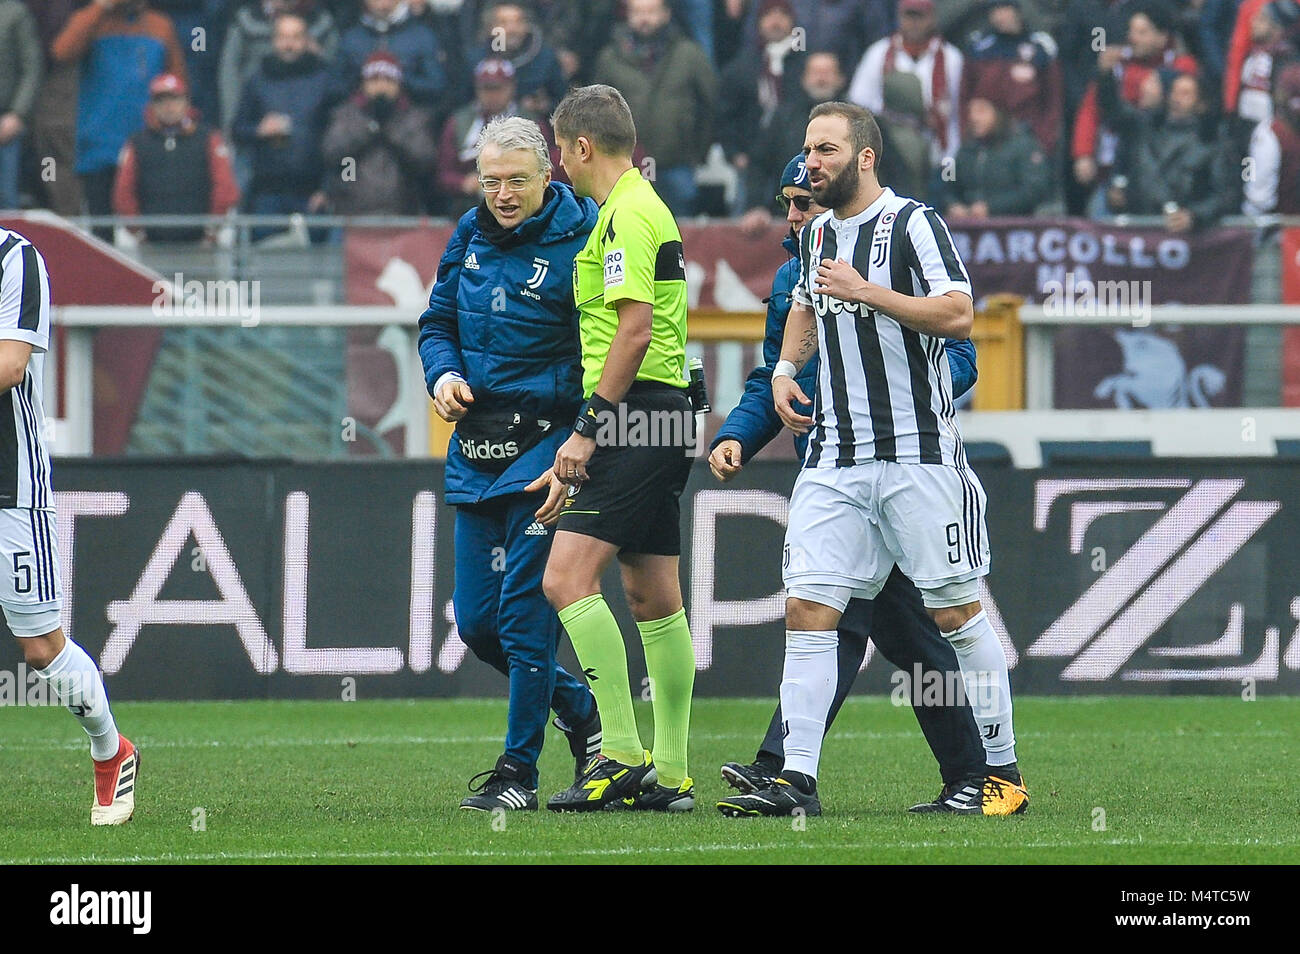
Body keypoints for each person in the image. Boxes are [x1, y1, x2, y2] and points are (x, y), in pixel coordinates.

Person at [716, 101, 1027, 817]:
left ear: (863, 157)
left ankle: (999, 775)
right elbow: (802, 306)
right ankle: (796, 779)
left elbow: (958, 316)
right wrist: (789, 372)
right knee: (808, 608)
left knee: (955, 614)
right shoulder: (816, 232)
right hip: (834, 458)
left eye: (824, 149)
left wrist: (869, 293)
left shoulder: (913, 223)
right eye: (806, 148)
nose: (810, 162)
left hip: (918, 456)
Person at [418, 115, 601, 812]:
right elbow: (437, 325)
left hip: (543, 454)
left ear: (547, 174)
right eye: (490, 180)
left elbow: (601, 347)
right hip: (474, 452)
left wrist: (579, 438)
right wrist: (442, 376)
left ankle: (516, 773)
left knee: (525, 624)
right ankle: (583, 713)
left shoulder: (582, 239)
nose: (501, 193)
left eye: (515, 180)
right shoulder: (466, 235)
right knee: (476, 625)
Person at [525, 84, 698, 812]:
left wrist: (588, 430)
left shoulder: (626, 213)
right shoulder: (637, 207)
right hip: (665, 412)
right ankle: (673, 770)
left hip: (636, 413)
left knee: (564, 580)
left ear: (582, 146)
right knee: (651, 594)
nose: (560, 164)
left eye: (561, 150)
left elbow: (631, 331)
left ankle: (621, 756)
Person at [0, 227, 138, 825]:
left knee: (39, 649)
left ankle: (111, 750)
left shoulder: (15, 258)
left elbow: (9, 364)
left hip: (9, 480)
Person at [52, 0, 188, 222]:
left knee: (149, 223)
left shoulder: (161, 25)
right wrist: (101, 6)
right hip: (98, 144)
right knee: (101, 227)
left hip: (148, 143)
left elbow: (178, 82)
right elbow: (62, 51)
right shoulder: (92, 20)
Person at [1071, 5, 1199, 218]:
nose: (1133, 38)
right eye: (1132, 31)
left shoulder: (1181, 68)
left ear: (1162, 37)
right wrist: (1083, 153)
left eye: (1143, 32)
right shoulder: (1117, 68)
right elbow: (1093, 109)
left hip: (1169, 173)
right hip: (1116, 167)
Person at [591, 0, 717, 216]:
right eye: (638, 12)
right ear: (627, 15)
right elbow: (596, 110)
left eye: (651, 11)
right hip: (625, 165)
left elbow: (711, 104)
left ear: (666, 14)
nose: (644, 19)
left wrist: (698, 150)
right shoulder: (610, 58)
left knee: (681, 233)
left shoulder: (689, 53)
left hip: (677, 162)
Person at [231, 11, 332, 235]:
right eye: (284, 37)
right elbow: (237, 130)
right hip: (267, 192)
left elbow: (338, 139)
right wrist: (258, 130)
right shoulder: (257, 80)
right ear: (274, 40)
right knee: (266, 261)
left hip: (311, 192)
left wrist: (328, 188)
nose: (289, 44)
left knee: (316, 265)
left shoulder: (325, 80)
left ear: (307, 40)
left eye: (296, 37)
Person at [112, 72, 241, 242]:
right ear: (152, 105)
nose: (169, 106)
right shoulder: (137, 143)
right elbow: (123, 191)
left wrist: (212, 231)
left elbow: (225, 187)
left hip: (201, 244)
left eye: (175, 99)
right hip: (152, 244)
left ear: (186, 102)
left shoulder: (209, 138)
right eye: (161, 100)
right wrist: (137, 231)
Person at [848, 0, 963, 166]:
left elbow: (956, 115)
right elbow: (859, 104)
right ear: (899, 17)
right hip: (889, 149)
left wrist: (950, 158)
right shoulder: (879, 53)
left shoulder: (951, 58)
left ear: (932, 18)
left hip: (935, 147)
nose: (914, 23)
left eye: (920, 17)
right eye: (909, 16)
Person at [719, 0, 807, 215]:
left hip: (796, 161)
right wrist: (734, 152)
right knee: (745, 223)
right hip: (750, 162)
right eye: (769, 16)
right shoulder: (741, 67)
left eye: (782, 15)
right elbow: (725, 115)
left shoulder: (804, 64)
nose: (775, 21)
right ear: (758, 23)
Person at [322, 50, 437, 215]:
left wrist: (391, 131)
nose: (381, 86)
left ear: (399, 84)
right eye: (374, 80)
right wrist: (369, 128)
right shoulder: (345, 115)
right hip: (351, 216)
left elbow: (424, 161)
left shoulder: (415, 118)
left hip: (402, 216)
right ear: (364, 84)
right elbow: (332, 154)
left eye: (388, 80)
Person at [959, 0, 1063, 155]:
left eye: (1005, 9)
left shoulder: (1041, 46)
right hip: (987, 139)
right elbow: (965, 96)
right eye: (995, 10)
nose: (1000, 16)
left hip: (1029, 137)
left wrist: (1045, 139)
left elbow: (1053, 99)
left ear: (1017, 10)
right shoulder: (979, 47)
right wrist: (968, 136)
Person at [219, 0, 338, 131]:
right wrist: (231, 122)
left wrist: (317, 55)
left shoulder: (321, 21)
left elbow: (335, 72)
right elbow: (229, 71)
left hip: (308, 112)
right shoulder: (247, 19)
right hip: (256, 109)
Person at [943, 97, 1054, 218]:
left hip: (1013, 229)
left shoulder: (1023, 146)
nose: (974, 118)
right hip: (969, 230)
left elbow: (1034, 190)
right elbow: (947, 181)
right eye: (971, 112)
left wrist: (991, 207)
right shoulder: (964, 149)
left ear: (998, 113)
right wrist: (952, 204)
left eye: (981, 111)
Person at [335, 0, 445, 108]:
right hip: (358, 117)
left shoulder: (421, 35)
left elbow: (437, 85)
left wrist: (397, 77)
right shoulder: (352, 38)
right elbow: (334, 85)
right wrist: (365, 78)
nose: (382, 3)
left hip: (410, 116)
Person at [472, 2, 568, 117]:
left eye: (518, 21)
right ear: (491, 27)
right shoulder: (475, 60)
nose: (512, 29)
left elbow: (563, 102)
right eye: (503, 23)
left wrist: (545, 106)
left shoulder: (546, 60)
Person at [0, 0, 41, 209]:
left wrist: (17, 114)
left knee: (6, 200)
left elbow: (32, 66)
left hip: (5, 122)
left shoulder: (15, 13)